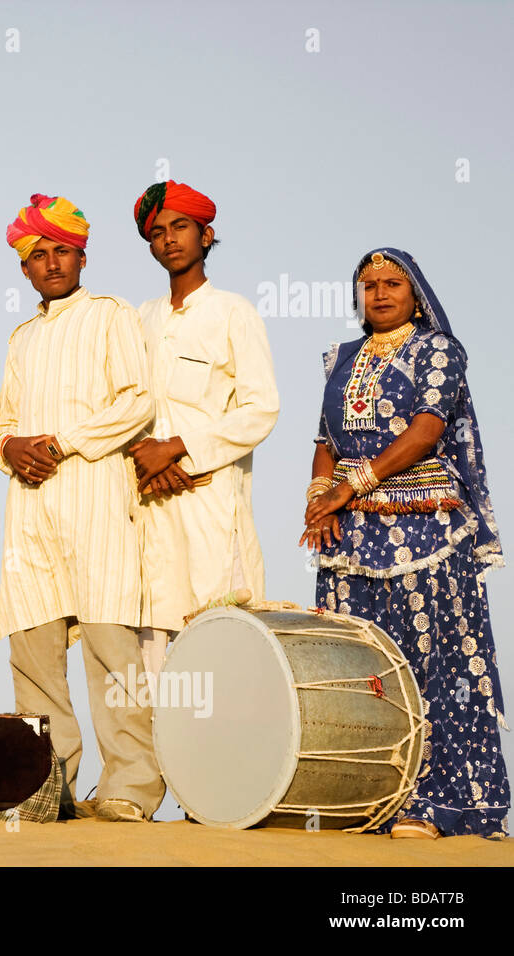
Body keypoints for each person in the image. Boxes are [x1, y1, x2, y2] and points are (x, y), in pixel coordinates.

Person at [302, 248, 508, 839]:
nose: (381, 294)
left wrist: (354, 484)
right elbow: (325, 436)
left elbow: (427, 428)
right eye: (369, 286)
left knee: (432, 662)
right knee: (359, 667)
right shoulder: (341, 359)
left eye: (393, 283)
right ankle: (368, 799)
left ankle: (439, 804)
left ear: (416, 292)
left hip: (426, 528)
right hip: (351, 531)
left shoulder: (438, 350)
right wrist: (321, 495)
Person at [0, 193, 162, 822]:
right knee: (33, 659)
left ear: (82, 255)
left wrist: (62, 443)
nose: (52, 263)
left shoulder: (112, 315)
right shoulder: (21, 337)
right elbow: (1, 421)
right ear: (25, 269)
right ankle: (48, 789)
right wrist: (10, 445)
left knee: (112, 653)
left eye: (61, 250)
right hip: (31, 515)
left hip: (96, 501)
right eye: (39, 255)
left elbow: (137, 401)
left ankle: (129, 789)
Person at [129, 181, 279, 678]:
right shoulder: (138, 320)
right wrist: (143, 454)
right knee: (149, 654)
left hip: (211, 503)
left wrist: (179, 449)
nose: (170, 239)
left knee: (222, 648)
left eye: (181, 227)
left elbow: (261, 409)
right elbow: (121, 407)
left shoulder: (233, 312)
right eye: (158, 232)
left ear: (206, 235)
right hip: (146, 504)